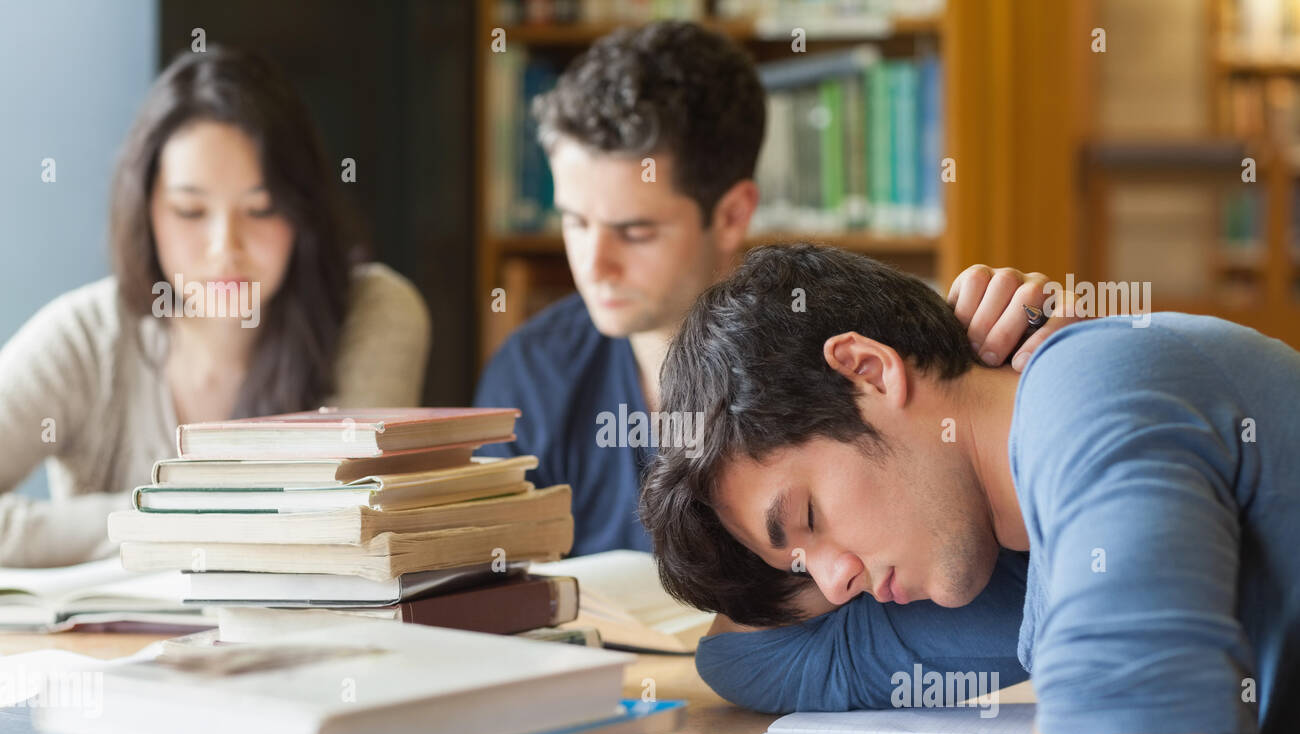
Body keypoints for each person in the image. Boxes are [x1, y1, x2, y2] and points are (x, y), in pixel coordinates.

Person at [639, 242, 1300, 734]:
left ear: (867, 373)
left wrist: (1093, 728)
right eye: (799, 566)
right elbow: (742, 658)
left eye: (807, 516)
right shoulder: (999, 555)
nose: (836, 586)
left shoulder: (1088, 393)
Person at [473, 20, 1069, 555]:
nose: (593, 264)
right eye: (574, 221)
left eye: (635, 230)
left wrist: (1044, 360)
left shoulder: (846, 341)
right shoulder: (531, 373)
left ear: (732, 214)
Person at [0, 48, 432, 567]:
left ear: (301, 210)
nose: (226, 247)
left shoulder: (375, 311)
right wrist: (162, 516)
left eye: (261, 209)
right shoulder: (83, 338)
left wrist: (152, 522)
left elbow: (349, 521)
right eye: (191, 211)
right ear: (146, 212)